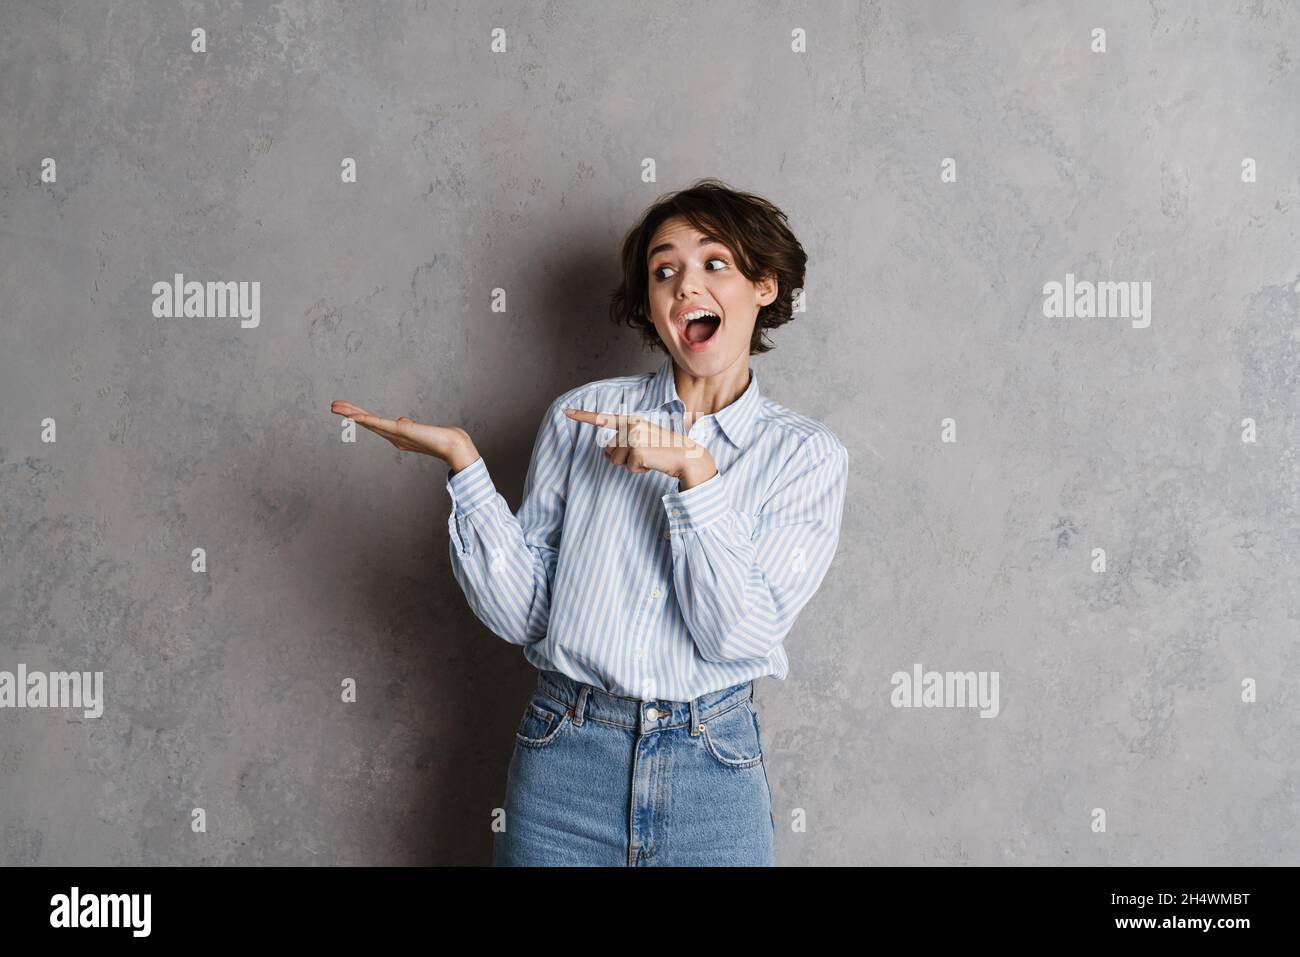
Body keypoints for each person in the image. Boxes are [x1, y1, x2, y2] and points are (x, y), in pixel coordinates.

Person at [331, 178, 849, 866]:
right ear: (651, 304)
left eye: (714, 263)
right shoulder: (582, 417)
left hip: (712, 769)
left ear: (765, 286)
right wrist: (465, 468)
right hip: (565, 757)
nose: (686, 284)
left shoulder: (806, 456)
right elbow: (525, 616)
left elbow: (736, 633)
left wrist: (695, 474)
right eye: (665, 271)